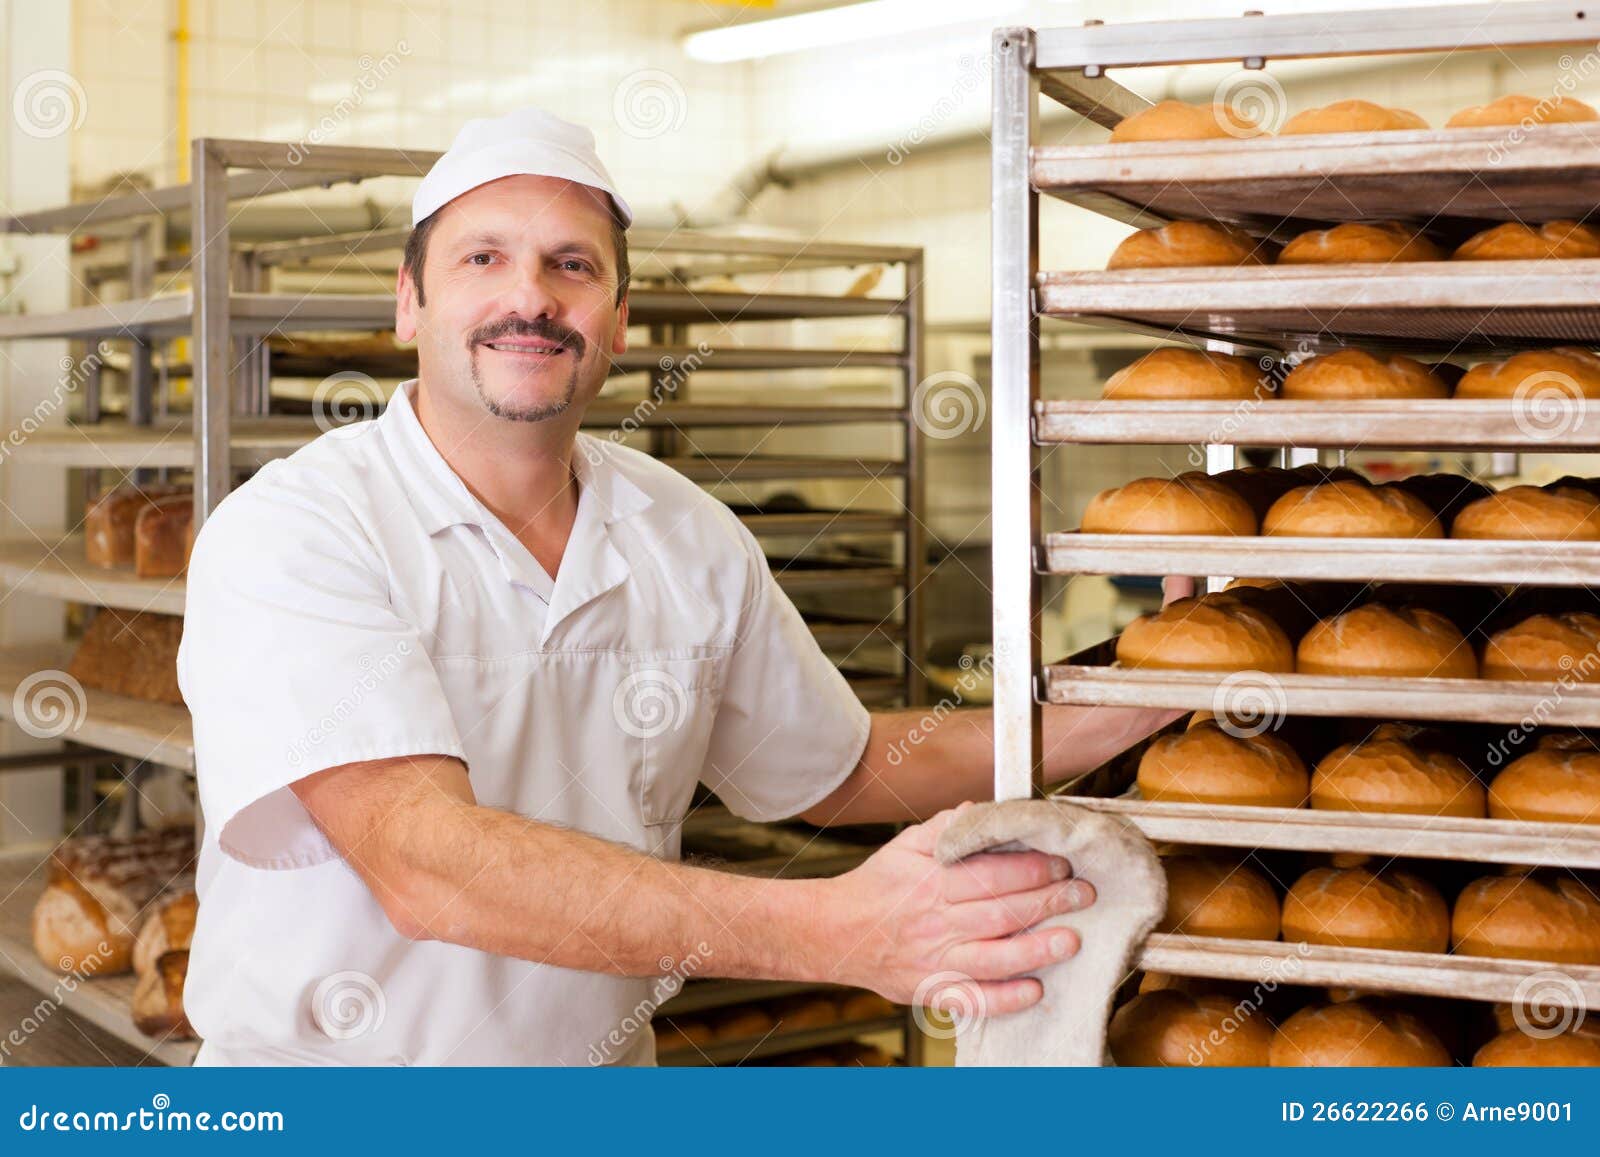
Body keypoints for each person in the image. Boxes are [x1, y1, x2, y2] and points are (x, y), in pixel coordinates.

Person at [178, 106, 1184, 1065]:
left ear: (616, 320)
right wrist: (836, 928)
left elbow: (840, 771)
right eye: (482, 257)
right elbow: (425, 861)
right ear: (410, 302)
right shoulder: (299, 530)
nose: (529, 296)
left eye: (570, 265)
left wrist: (1122, 703)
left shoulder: (681, 530)